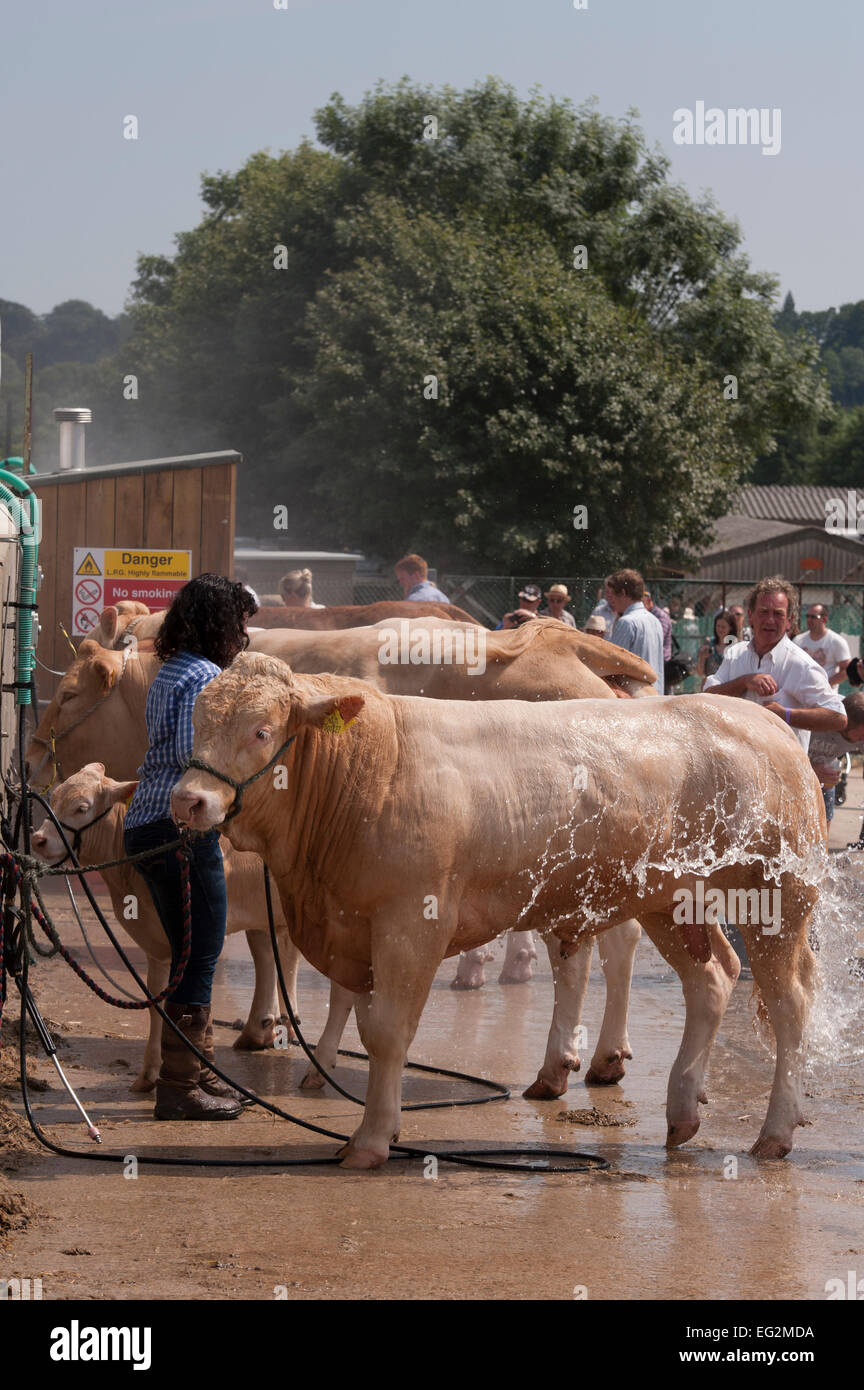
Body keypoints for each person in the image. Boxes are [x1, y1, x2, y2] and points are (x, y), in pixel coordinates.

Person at [124, 574, 258, 1122]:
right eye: (239, 623)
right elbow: (193, 756)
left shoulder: (171, 669)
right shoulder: (206, 677)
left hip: (146, 823)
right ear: (222, 625)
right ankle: (179, 1089)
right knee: (200, 952)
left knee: (189, 952)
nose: (243, 634)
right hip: (180, 827)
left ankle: (195, 1074)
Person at [703, 575, 846, 754]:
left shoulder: (801, 665)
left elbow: (837, 717)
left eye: (778, 614)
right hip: (736, 770)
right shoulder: (735, 654)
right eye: (763, 612)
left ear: (789, 621)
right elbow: (707, 696)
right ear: (750, 616)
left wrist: (785, 715)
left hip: (782, 776)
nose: (770, 620)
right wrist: (744, 682)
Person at [807, 691, 864, 826]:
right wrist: (809, 769)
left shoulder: (860, 725)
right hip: (789, 771)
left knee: (823, 825)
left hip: (825, 775)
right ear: (844, 724)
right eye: (861, 736)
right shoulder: (814, 715)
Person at [605, 569, 665, 693]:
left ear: (622, 593)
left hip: (634, 700)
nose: (611, 600)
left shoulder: (626, 622)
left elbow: (613, 666)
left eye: (613, 594)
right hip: (656, 695)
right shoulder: (655, 621)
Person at [794, 605, 851, 687]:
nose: (809, 620)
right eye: (807, 616)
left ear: (824, 619)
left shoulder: (836, 641)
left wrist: (826, 684)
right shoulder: (798, 640)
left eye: (813, 617)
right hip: (801, 692)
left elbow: (846, 669)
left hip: (826, 695)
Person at [696, 610, 738, 688]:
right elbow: (699, 672)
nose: (720, 629)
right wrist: (702, 658)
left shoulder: (736, 647)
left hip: (729, 688)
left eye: (723, 627)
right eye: (718, 626)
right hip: (711, 688)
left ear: (731, 628)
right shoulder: (708, 644)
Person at [643, 589, 672, 663]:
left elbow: (659, 638)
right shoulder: (646, 614)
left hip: (662, 661)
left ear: (649, 600)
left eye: (642, 602)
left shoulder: (661, 616)